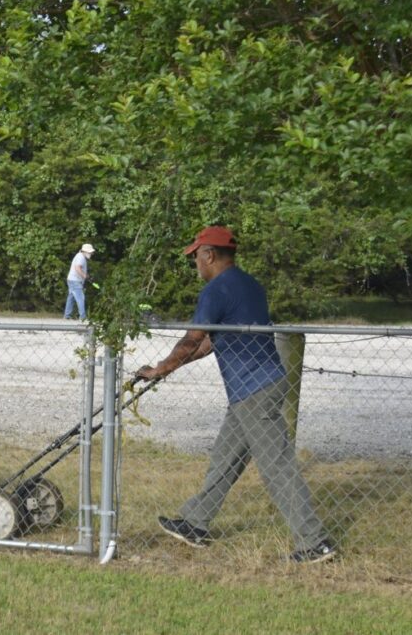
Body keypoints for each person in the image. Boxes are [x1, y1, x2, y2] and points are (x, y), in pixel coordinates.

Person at [135, 226, 335, 563]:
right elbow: (210, 342)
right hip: (257, 387)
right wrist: (169, 367)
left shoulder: (215, 291)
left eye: (196, 257)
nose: (195, 264)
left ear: (209, 255)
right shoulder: (250, 285)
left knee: (277, 467)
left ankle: (315, 541)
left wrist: (160, 368)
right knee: (225, 459)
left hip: (254, 388)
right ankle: (195, 523)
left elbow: (190, 339)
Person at [63, 243, 95, 320]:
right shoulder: (81, 257)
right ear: (84, 251)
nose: (91, 253)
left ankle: (67, 316)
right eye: (89, 252)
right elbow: (77, 268)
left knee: (71, 298)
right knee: (80, 298)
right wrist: (85, 276)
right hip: (75, 281)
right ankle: (83, 317)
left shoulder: (79, 256)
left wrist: (86, 277)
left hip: (71, 279)